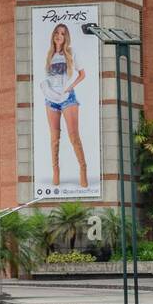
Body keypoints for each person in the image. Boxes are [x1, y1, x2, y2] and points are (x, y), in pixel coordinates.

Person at [40, 22, 88, 188]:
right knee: (54, 138)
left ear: (66, 37)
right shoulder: (49, 55)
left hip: (68, 98)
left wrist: (70, 87)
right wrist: (45, 88)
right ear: (53, 35)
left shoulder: (71, 52)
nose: (59, 35)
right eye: (57, 33)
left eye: (63, 33)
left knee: (73, 136)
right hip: (51, 99)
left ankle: (83, 169)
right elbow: (48, 77)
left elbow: (82, 74)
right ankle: (56, 171)